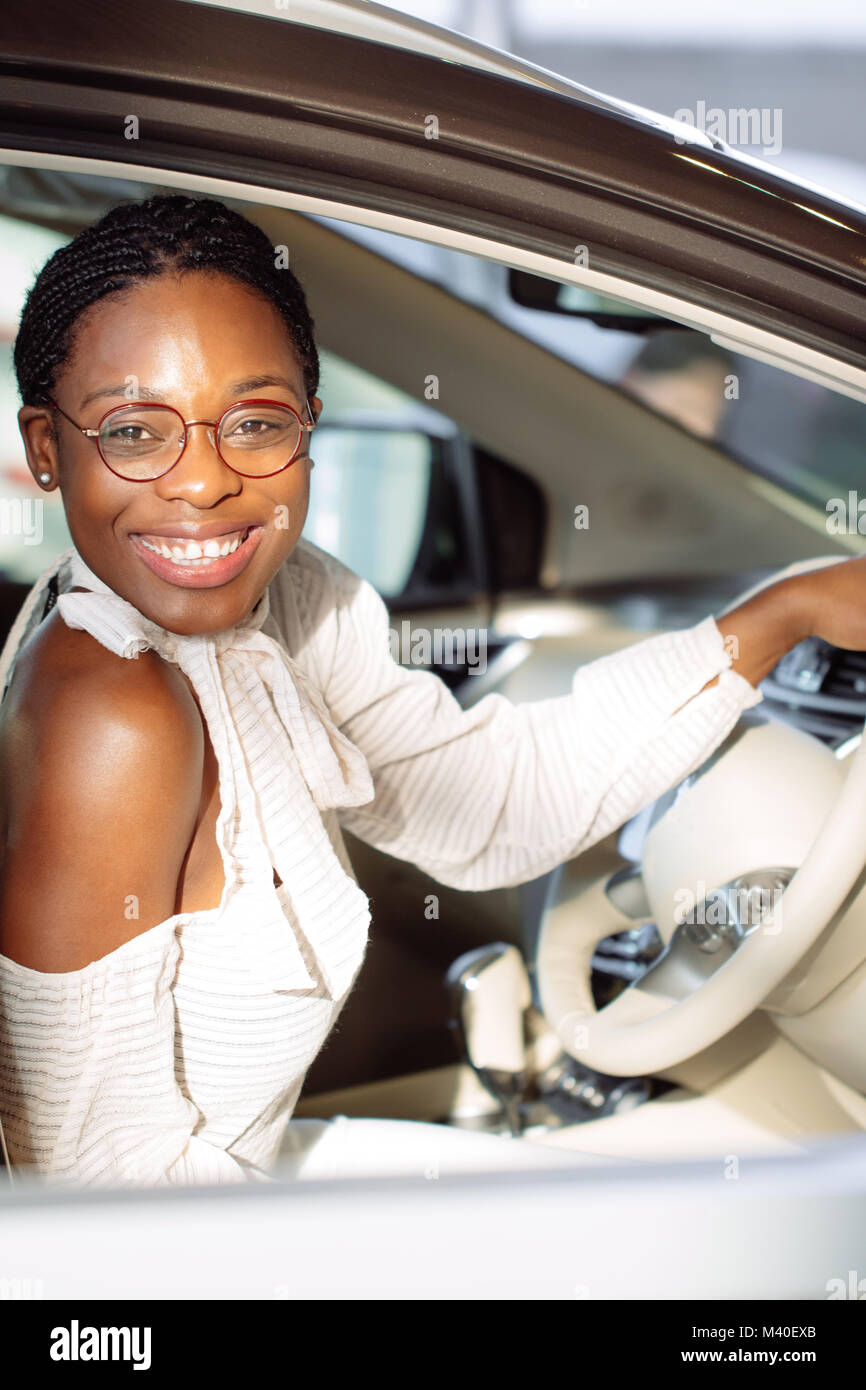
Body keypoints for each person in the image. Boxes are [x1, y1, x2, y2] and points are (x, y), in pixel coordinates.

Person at [0, 194, 864, 1188]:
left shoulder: (284, 600)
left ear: (309, 428)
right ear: (46, 448)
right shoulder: (114, 715)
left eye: (256, 422)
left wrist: (781, 615)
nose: (203, 483)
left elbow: (492, 807)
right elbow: (89, 1205)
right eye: (134, 431)